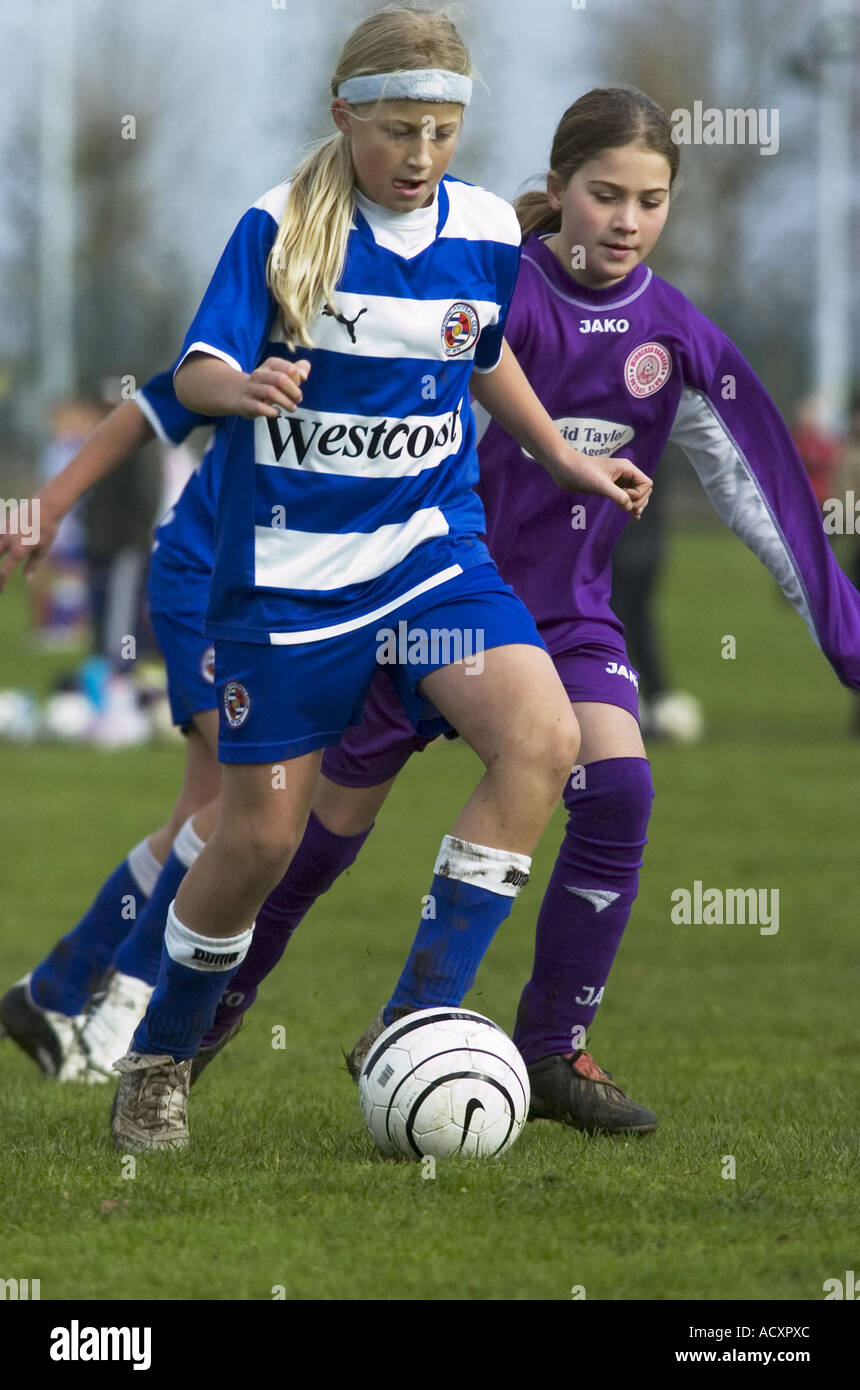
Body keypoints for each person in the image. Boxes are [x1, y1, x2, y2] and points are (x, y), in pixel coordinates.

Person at [191, 82, 860, 1134]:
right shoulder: (485, 285)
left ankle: (533, 1046)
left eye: (650, 201)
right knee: (309, 846)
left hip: (560, 620)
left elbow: (760, 490)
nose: (626, 221)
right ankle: (203, 1023)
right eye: (604, 196)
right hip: (420, 605)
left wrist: (849, 641)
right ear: (558, 192)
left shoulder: (675, 338)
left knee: (620, 789)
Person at [102, 7, 649, 1151]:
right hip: (287, 582)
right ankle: (159, 1055)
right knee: (255, 842)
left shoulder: (488, 226)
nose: (420, 155)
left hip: (428, 561)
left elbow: (478, 346)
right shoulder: (280, 224)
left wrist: (559, 454)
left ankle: (410, 1020)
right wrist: (236, 387)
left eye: (442, 132)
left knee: (544, 743)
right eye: (398, 129)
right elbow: (196, 365)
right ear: (343, 114)